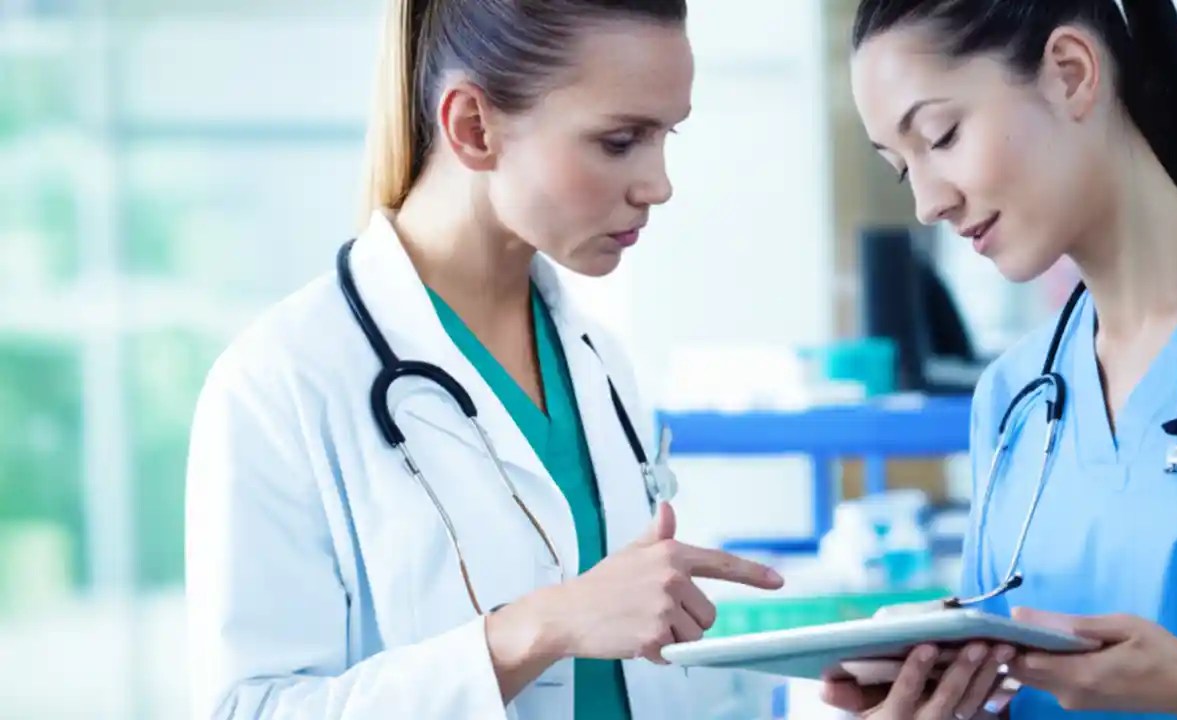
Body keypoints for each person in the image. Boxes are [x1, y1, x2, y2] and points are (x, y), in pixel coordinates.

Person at [182, 1, 785, 718]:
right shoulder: (282, 382)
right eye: (620, 141)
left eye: (665, 135)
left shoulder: (599, 360)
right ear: (473, 127)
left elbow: (637, 681)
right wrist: (538, 629)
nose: (658, 185)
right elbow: (249, 708)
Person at [823, 1, 1177, 718]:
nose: (927, 204)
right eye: (902, 169)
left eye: (941, 137)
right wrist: (939, 693)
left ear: (1070, 73)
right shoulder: (1013, 398)